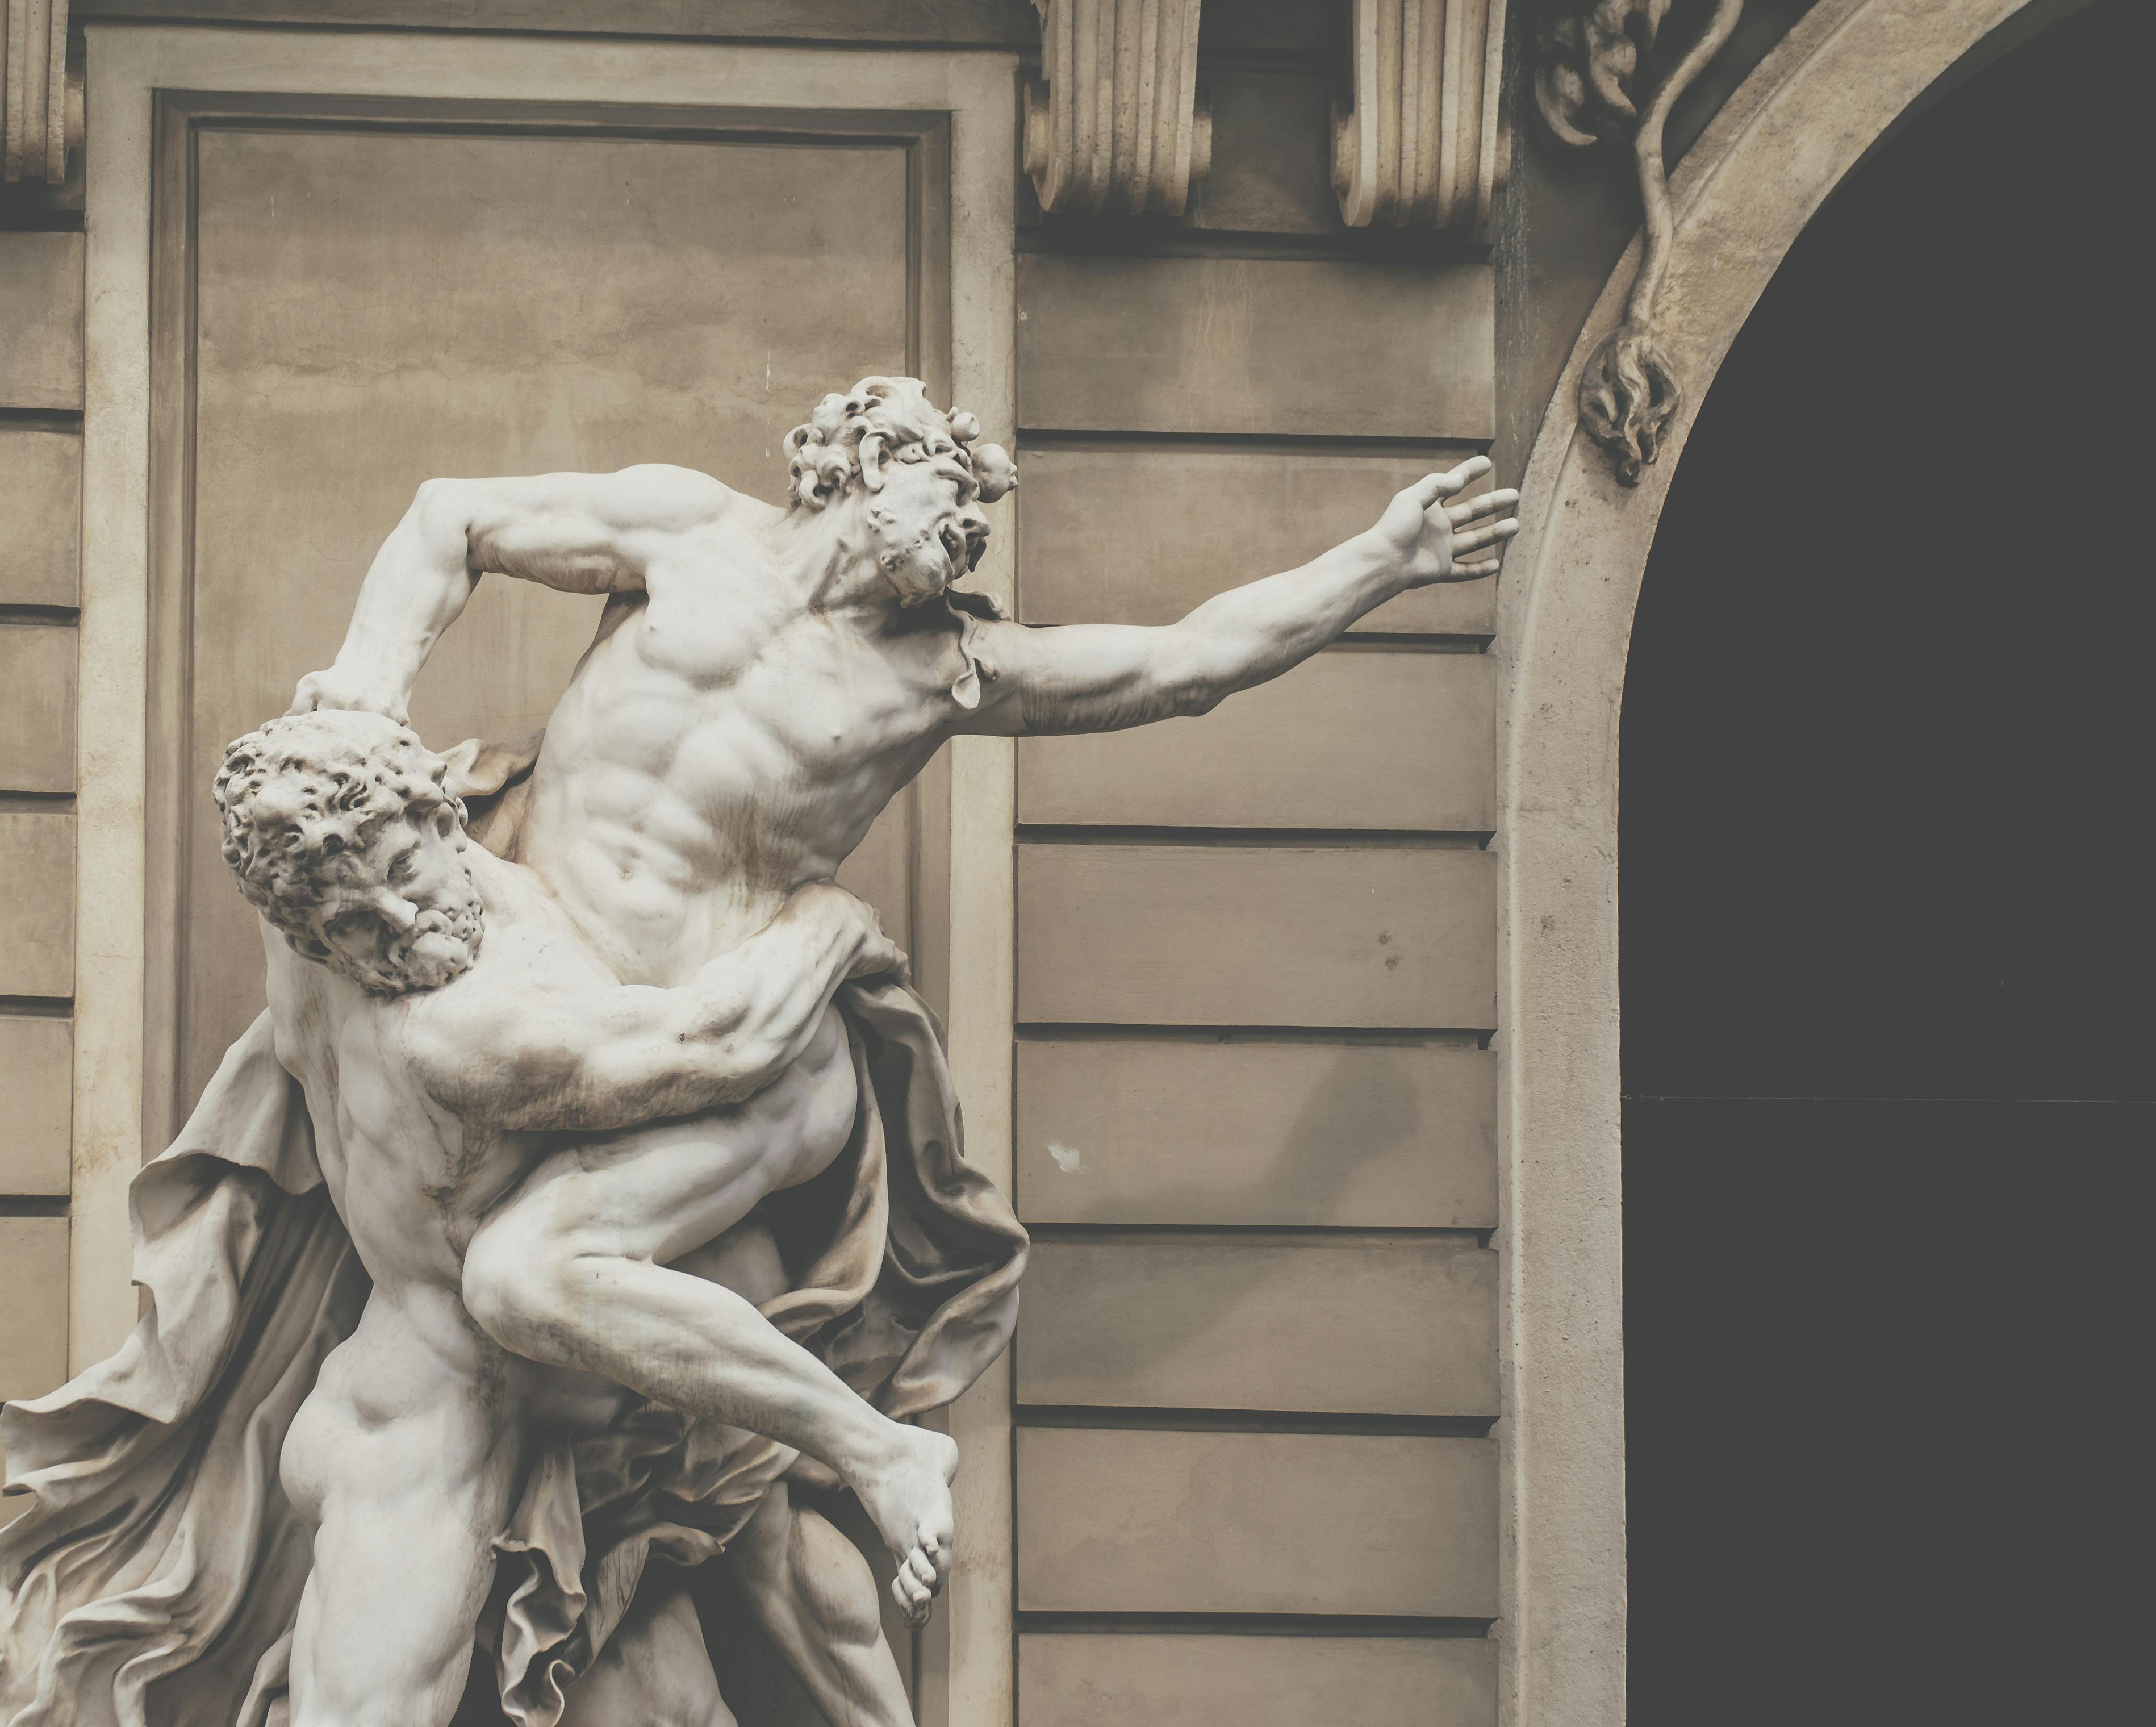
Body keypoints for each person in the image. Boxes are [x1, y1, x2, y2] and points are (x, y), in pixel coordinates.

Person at [288, 375, 1519, 1618]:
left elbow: (1185, 661)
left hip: (743, 1061)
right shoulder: (686, 526)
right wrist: (362, 688)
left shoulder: (947, 669)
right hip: (552, 1003)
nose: (978, 522)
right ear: (863, 458)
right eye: (958, 486)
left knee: (521, 1277)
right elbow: (453, 517)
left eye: (981, 511)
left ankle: (883, 1449)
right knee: (430, 1225)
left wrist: (1385, 558)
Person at [210, 707, 924, 1727]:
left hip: (513, 1386)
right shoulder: (462, 1028)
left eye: (406, 875)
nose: (399, 927)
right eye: (356, 924)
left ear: (444, 814)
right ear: (308, 933)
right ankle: (877, 1452)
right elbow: (714, 1047)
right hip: (432, 1407)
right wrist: (831, 924)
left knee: (691, 1671)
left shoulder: (320, 874)